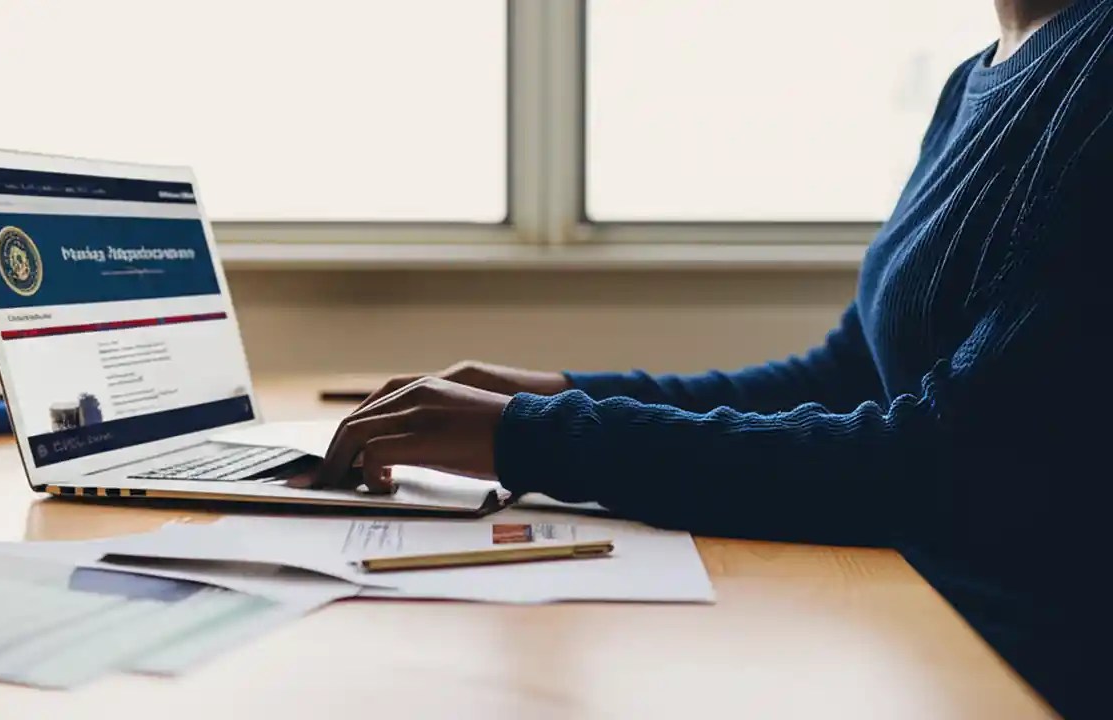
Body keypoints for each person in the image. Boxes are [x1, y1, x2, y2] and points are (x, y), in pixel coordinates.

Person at [312, 1, 1109, 715]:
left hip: (1019, 671)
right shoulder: (979, 75)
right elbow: (845, 376)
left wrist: (532, 434)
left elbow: (953, 465)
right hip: (927, 635)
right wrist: (551, 393)